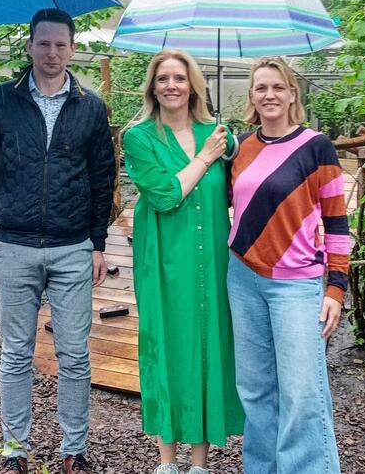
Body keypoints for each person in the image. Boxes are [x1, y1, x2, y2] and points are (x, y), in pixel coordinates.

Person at [0, 8, 115, 474]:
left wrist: (98, 243)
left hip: (72, 246)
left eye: (61, 44)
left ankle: (73, 449)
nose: (52, 52)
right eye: (44, 43)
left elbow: (103, 178)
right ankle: (15, 448)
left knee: (74, 353)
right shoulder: (2, 100)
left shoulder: (91, 106)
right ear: (29, 46)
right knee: (16, 352)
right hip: (15, 246)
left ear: (73, 48)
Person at [122, 50, 244, 474]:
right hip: (163, 259)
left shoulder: (221, 135)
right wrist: (205, 157)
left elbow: (241, 194)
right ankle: (167, 461)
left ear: (194, 84)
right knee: (168, 344)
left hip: (211, 258)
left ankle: (199, 463)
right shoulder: (138, 137)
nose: (171, 85)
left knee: (208, 342)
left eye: (179, 77)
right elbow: (166, 195)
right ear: (152, 87)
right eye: (162, 79)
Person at [226, 57, 348, 474]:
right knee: (255, 389)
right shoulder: (240, 147)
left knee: (302, 391)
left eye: (278, 87)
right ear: (252, 97)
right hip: (242, 278)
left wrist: (336, 287)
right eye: (261, 88)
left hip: (296, 284)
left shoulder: (317, 147)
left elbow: (336, 221)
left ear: (292, 93)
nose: (269, 95)